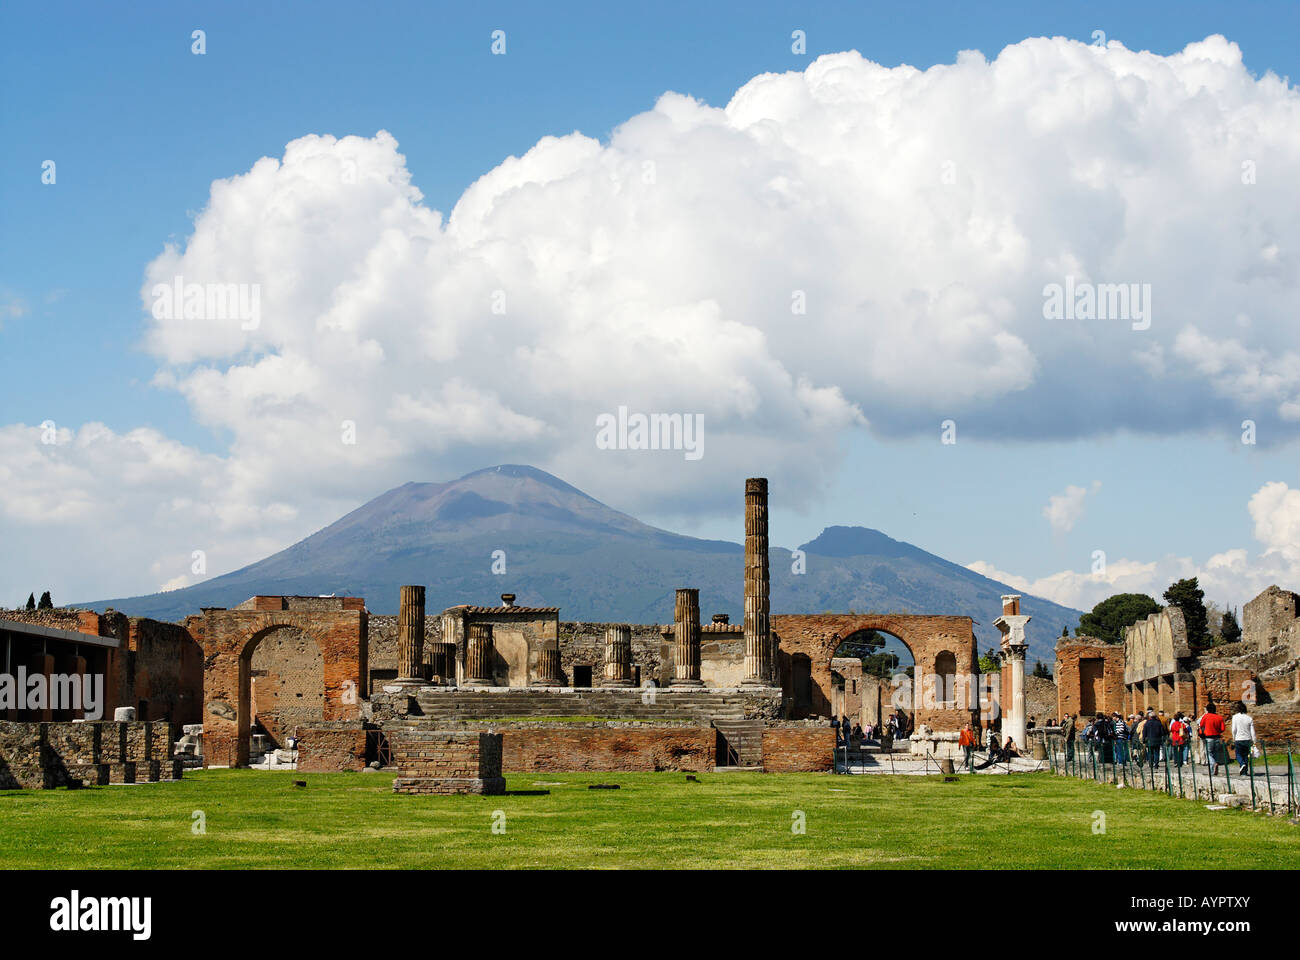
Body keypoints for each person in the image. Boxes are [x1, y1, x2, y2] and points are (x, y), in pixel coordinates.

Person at [1199, 702, 1226, 778]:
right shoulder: (1219, 717)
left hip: (1209, 737)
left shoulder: (1206, 717)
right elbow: (1222, 729)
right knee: (1215, 752)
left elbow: (1201, 725)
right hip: (1217, 737)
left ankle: (1213, 766)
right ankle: (1216, 763)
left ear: (1207, 709)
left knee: (1209, 753)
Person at [1231, 701, 1257, 778]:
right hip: (1247, 739)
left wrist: (1234, 738)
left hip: (1238, 738)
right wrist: (1254, 741)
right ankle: (1245, 772)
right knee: (1245, 755)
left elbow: (1234, 730)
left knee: (1238, 754)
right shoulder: (1249, 718)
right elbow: (1252, 731)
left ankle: (1242, 764)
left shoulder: (1235, 717)